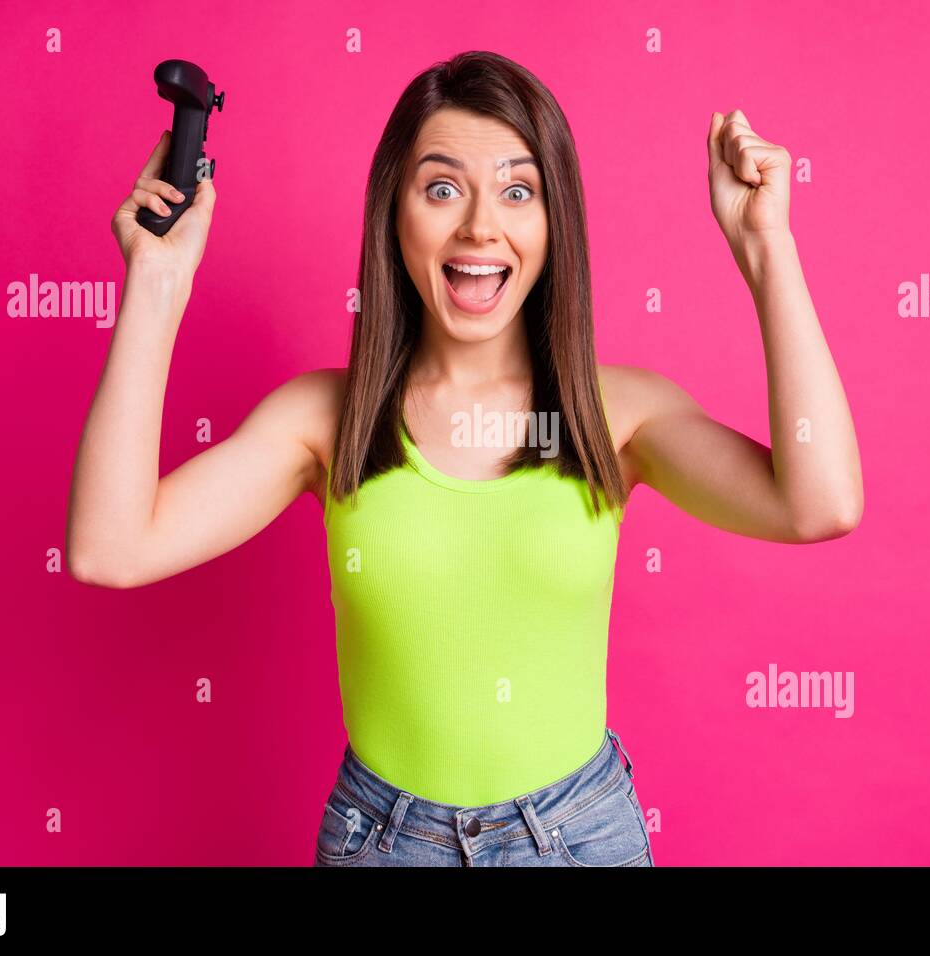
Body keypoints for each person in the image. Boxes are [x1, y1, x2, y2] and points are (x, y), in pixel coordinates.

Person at [66, 50, 863, 867]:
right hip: (382, 841)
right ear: (394, 214)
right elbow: (109, 548)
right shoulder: (326, 420)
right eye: (442, 188)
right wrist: (157, 284)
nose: (481, 226)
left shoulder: (611, 414)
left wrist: (768, 251)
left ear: (555, 224)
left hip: (580, 837)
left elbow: (820, 504)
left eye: (518, 191)